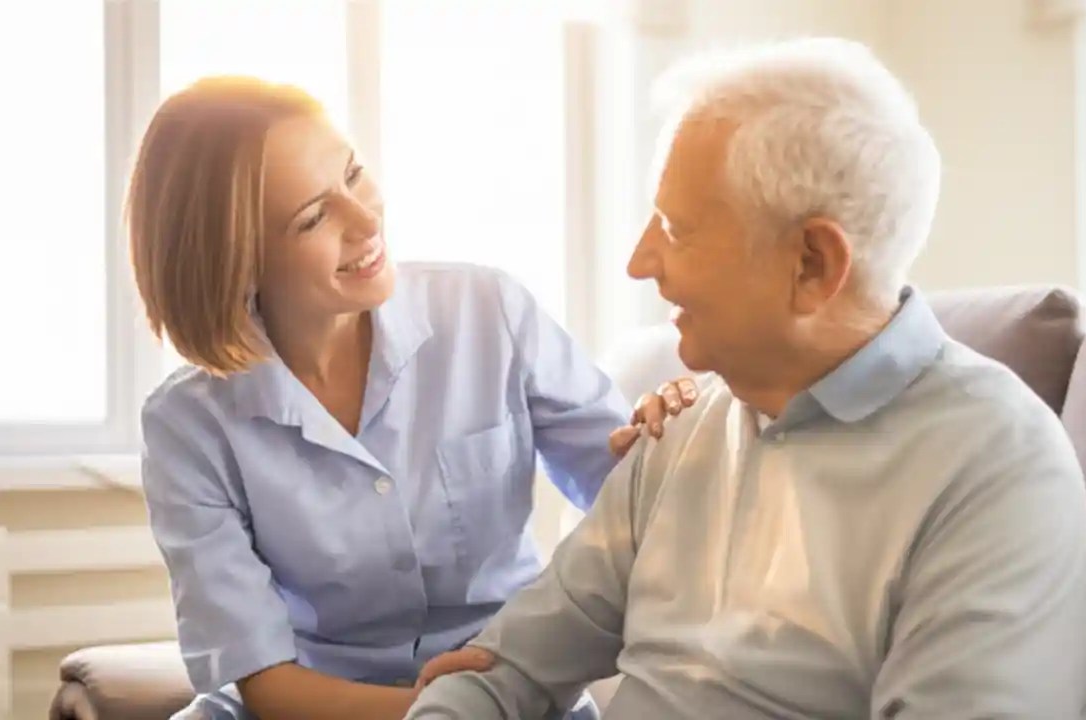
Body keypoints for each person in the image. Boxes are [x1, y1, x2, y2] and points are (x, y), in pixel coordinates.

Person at [407, 38, 1086, 719]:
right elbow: (503, 669)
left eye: (676, 230)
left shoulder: (996, 465)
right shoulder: (678, 431)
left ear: (811, 265)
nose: (640, 262)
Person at [128, 76, 694, 720]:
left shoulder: (490, 312)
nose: (366, 221)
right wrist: (438, 711)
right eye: (314, 216)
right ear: (236, 260)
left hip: (511, 692)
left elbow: (629, 502)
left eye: (354, 174)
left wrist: (660, 443)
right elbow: (267, 684)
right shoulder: (188, 424)